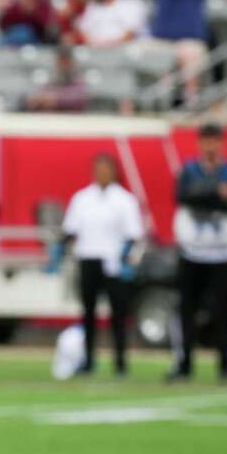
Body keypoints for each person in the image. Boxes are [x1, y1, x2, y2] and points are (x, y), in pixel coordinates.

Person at [168, 123, 227, 382]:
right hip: (192, 251)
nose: (211, 146)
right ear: (199, 143)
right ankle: (184, 362)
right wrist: (216, 194)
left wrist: (204, 194)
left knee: (224, 309)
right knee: (186, 308)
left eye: (215, 140)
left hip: (223, 252)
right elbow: (182, 196)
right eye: (206, 140)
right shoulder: (188, 170)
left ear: (222, 143)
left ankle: (226, 362)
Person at [55, 153, 144, 376]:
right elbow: (70, 230)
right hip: (88, 260)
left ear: (114, 171)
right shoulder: (82, 198)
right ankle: (88, 360)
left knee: (118, 315)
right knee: (88, 314)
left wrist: (125, 258)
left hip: (113, 262)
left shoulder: (124, 200)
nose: (102, 173)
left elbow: (133, 234)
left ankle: (120, 362)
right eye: (99, 168)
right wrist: (57, 250)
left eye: (107, 168)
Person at [144, 0, 210, 104]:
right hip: (161, 42)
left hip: (189, 42)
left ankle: (191, 99)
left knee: (192, 53)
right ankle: (162, 102)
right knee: (154, 54)